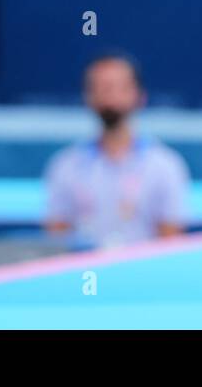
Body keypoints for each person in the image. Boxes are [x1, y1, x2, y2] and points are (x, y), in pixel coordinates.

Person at [42, 51, 190, 248]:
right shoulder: (66, 165)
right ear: (88, 97)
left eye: (118, 87)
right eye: (101, 88)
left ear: (140, 96)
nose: (110, 97)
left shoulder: (165, 165)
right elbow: (55, 243)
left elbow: (171, 245)